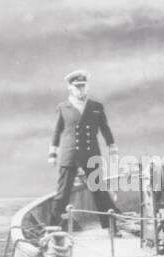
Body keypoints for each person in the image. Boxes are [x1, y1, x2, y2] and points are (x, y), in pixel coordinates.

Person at [48, 70, 120, 231]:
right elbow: (57, 131)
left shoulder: (96, 107)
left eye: (83, 86)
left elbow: (105, 129)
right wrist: (52, 153)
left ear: (87, 87)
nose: (81, 89)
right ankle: (53, 227)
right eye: (77, 86)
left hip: (90, 153)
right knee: (62, 193)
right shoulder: (63, 107)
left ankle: (111, 225)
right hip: (69, 154)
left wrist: (112, 148)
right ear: (70, 88)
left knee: (99, 190)